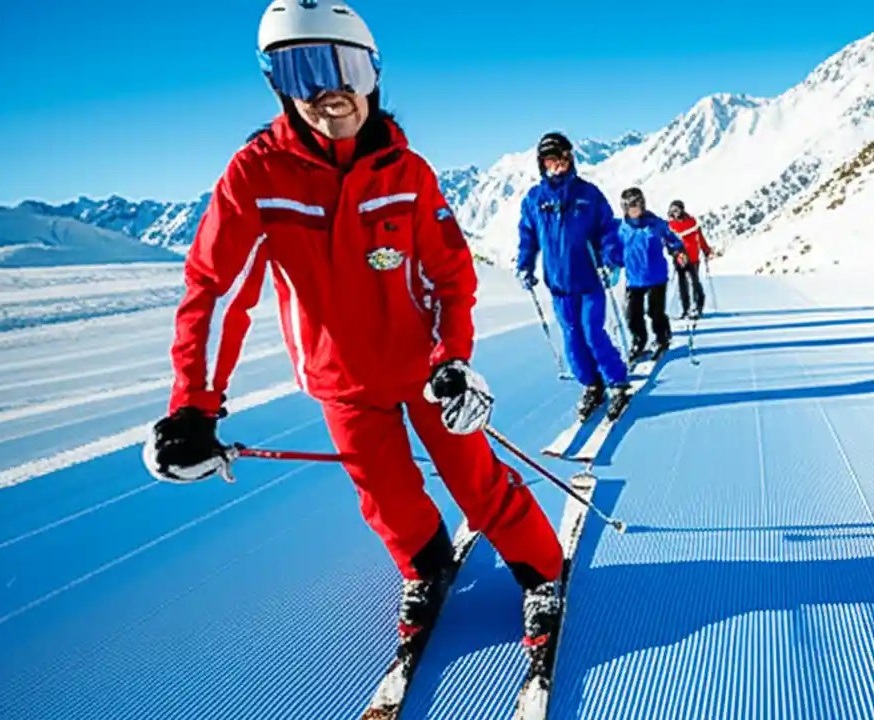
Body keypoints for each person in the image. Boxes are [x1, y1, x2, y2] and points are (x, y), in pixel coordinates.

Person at [141, 0, 563, 658]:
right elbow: (216, 291)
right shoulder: (256, 177)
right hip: (340, 381)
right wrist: (195, 404)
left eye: (347, 67)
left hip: (424, 373)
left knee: (475, 479)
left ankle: (541, 573)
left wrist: (453, 360)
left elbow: (452, 277)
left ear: (373, 74)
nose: (330, 90)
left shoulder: (408, 174)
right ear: (277, 82)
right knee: (386, 496)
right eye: (303, 67)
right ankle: (427, 566)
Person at [516, 132, 630, 421]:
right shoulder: (534, 199)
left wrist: (611, 260)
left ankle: (618, 383)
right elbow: (528, 236)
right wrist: (524, 265)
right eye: (549, 161)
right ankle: (592, 385)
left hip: (590, 280)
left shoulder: (588, 195)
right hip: (559, 285)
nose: (556, 166)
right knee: (572, 338)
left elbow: (608, 229)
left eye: (561, 159)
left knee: (593, 333)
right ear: (542, 164)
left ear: (570, 159)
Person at [616, 187, 683, 365]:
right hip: (634, 278)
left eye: (637, 205)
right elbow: (615, 250)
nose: (634, 209)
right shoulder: (621, 229)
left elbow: (672, 239)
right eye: (630, 206)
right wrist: (611, 263)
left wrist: (677, 251)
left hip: (656, 276)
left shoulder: (655, 224)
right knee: (632, 314)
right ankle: (639, 341)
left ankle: (662, 336)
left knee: (655, 311)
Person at [666, 200, 714, 319]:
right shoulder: (671, 226)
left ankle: (697, 306)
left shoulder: (690, 223)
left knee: (694, 282)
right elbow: (668, 242)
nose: (676, 213)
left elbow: (700, 238)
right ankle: (686, 308)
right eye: (673, 210)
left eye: (677, 210)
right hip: (680, 258)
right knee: (683, 284)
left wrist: (706, 250)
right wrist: (673, 252)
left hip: (691, 257)